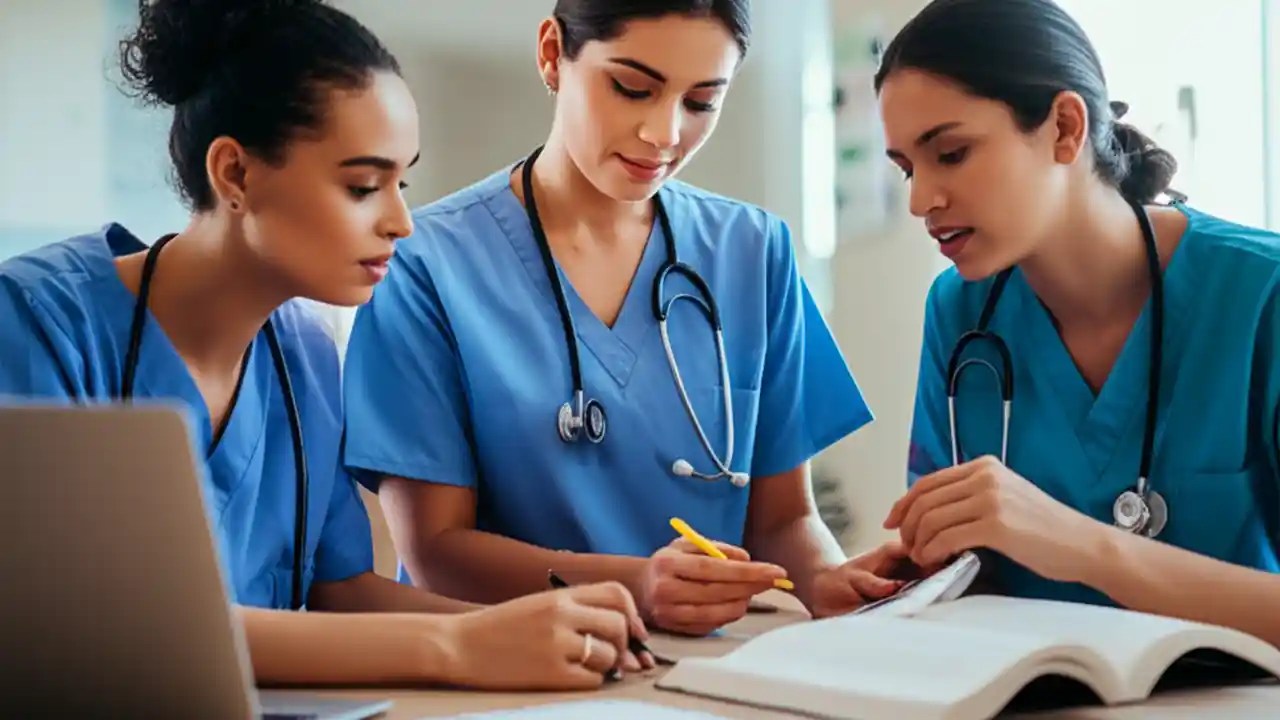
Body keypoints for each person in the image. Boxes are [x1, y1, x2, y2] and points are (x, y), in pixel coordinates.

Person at [0, 0, 651, 689]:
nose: (402, 221)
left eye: (402, 182)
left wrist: (542, 628)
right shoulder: (40, 327)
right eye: (363, 186)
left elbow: (341, 592)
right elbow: (101, 628)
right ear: (236, 175)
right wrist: (456, 644)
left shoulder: (305, 356)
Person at [341, 0, 906, 636]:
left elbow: (783, 522)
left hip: (711, 673)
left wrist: (827, 579)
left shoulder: (753, 252)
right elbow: (436, 551)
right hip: (516, 668)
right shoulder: (426, 268)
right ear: (553, 53)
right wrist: (636, 586)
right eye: (632, 88)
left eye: (700, 102)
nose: (664, 133)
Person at [873, 0, 1280, 645]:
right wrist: (906, 580)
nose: (922, 200)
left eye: (950, 154)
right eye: (906, 169)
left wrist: (1083, 546)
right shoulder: (959, 311)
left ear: (1065, 127)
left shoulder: (1262, 295)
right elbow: (961, 564)